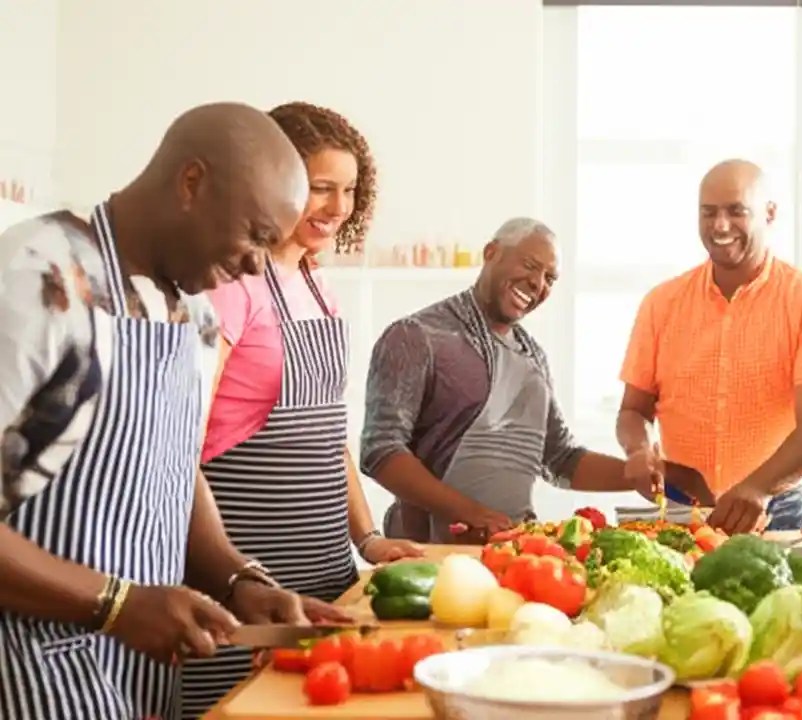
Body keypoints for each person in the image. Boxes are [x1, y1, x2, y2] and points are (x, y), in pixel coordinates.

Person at [0, 102, 325, 720]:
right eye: (256, 235)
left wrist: (236, 578)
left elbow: (174, 466)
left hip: (134, 677)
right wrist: (115, 605)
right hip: (26, 669)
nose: (259, 264)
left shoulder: (195, 313)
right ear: (192, 182)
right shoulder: (37, 273)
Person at [180, 102, 423, 719]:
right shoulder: (229, 286)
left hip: (323, 566)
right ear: (273, 180)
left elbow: (327, 434)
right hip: (245, 563)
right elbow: (179, 443)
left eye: (348, 190)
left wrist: (367, 537)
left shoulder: (319, 284)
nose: (336, 207)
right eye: (320, 188)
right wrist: (234, 572)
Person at [361, 218, 653, 544]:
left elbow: (559, 459)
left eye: (550, 278)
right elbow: (381, 450)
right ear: (491, 253)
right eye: (530, 265)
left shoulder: (534, 356)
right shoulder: (416, 336)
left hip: (514, 549)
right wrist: (469, 512)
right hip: (431, 554)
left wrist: (637, 475)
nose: (537, 283)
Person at [617, 159, 802, 534]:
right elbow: (633, 410)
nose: (720, 226)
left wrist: (757, 488)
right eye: (708, 213)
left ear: (769, 214)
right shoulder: (661, 302)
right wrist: (639, 451)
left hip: (773, 508)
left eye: (736, 211)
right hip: (680, 508)